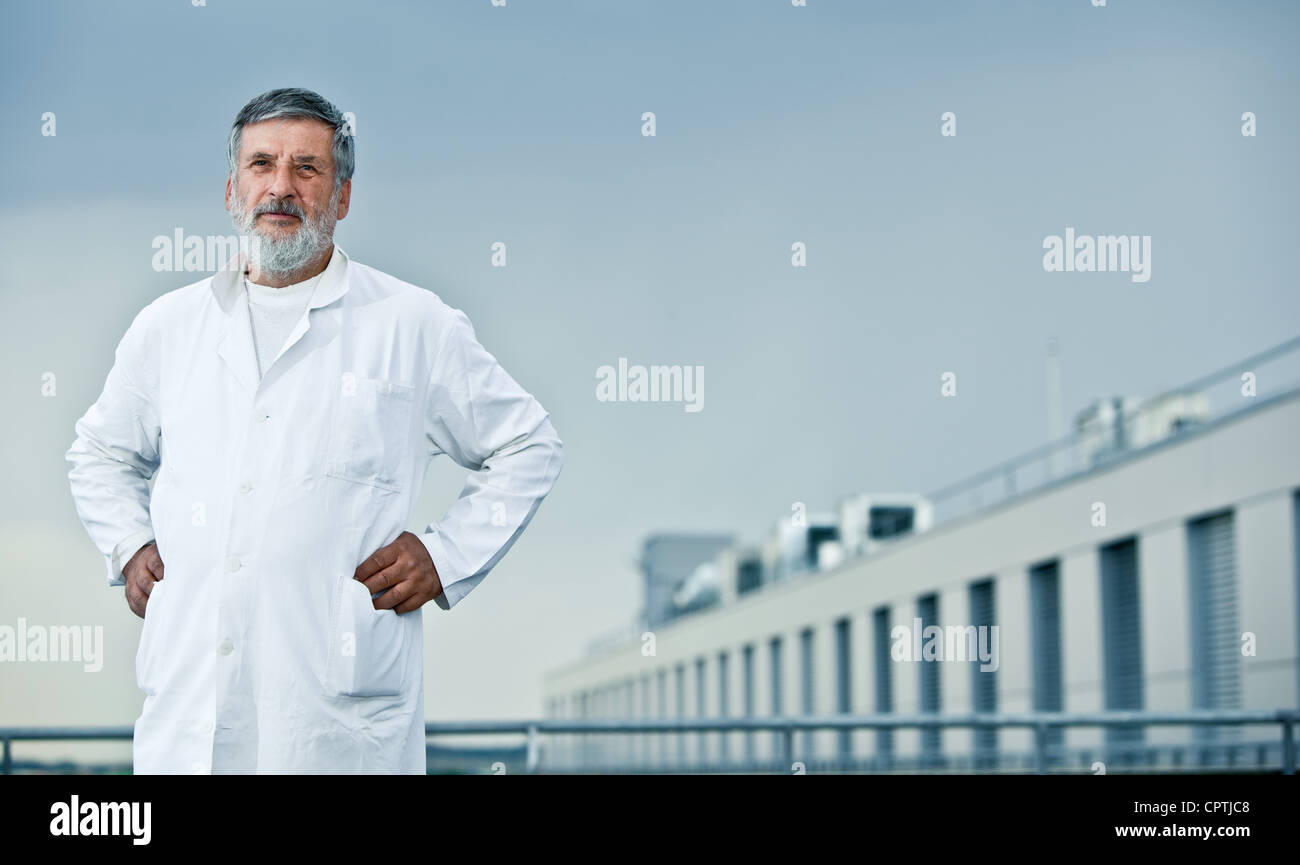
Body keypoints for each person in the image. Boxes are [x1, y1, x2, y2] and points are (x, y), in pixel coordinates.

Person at [66, 87, 565, 774]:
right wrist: (127, 544)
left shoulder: (412, 325)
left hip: (338, 736)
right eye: (261, 164)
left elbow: (529, 444)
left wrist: (443, 556)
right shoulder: (168, 329)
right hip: (187, 727)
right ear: (231, 190)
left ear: (344, 195)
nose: (281, 186)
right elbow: (97, 452)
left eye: (307, 168)